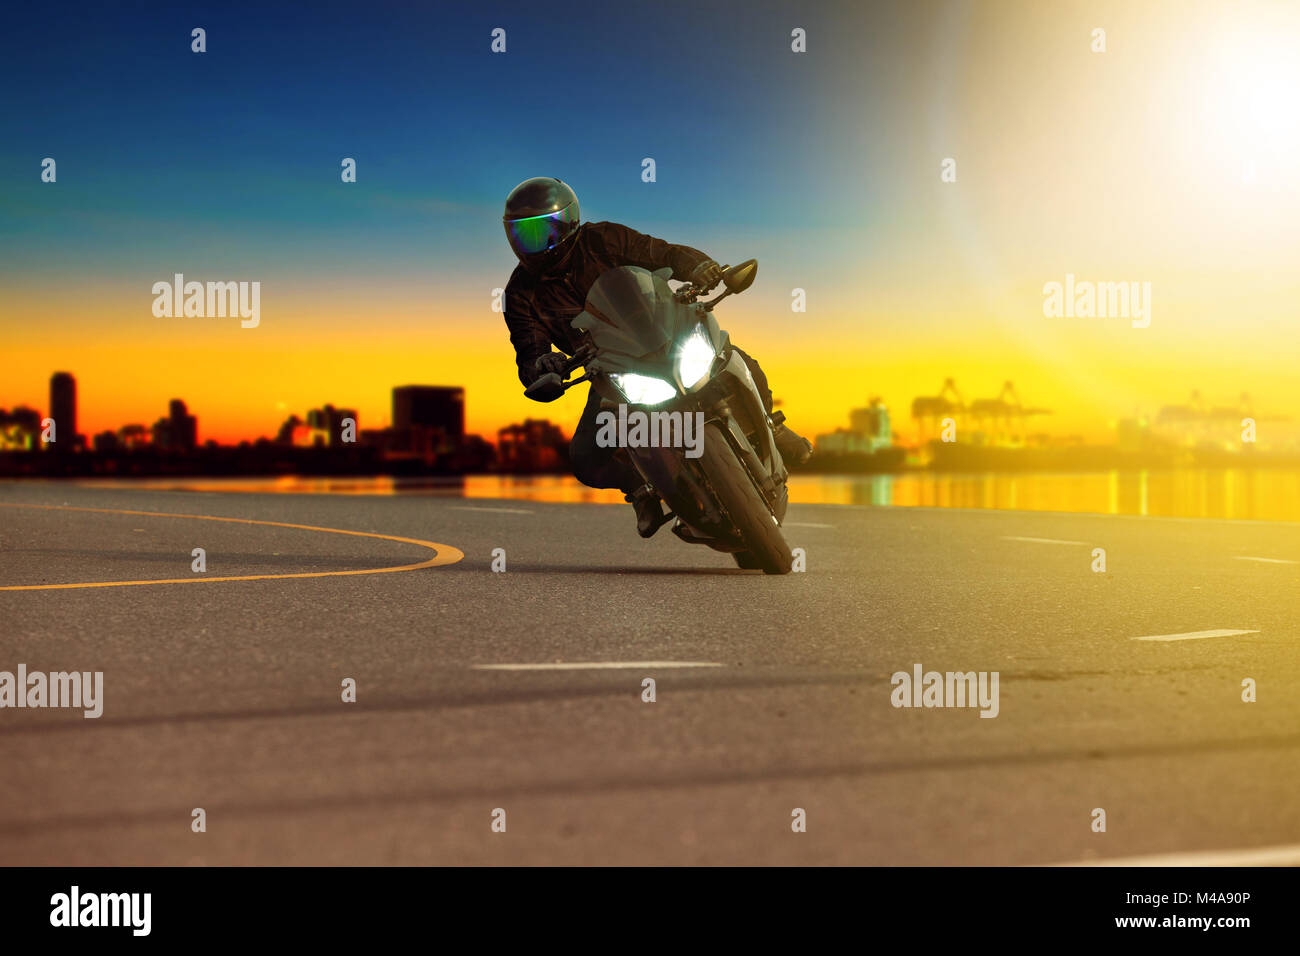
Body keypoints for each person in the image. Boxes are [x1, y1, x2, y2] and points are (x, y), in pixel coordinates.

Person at [502, 176, 811, 537]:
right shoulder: (520, 294)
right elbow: (528, 349)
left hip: (667, 334)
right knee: (586, 458)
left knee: (736, 360)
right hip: (611, 367)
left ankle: (772, 425)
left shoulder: (602, 239)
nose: (535, 243)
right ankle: (641, 490)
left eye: (543, 231)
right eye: (524, 234)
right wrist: (542, 365)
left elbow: (660, 253)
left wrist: (699, 266)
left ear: (568, 222)